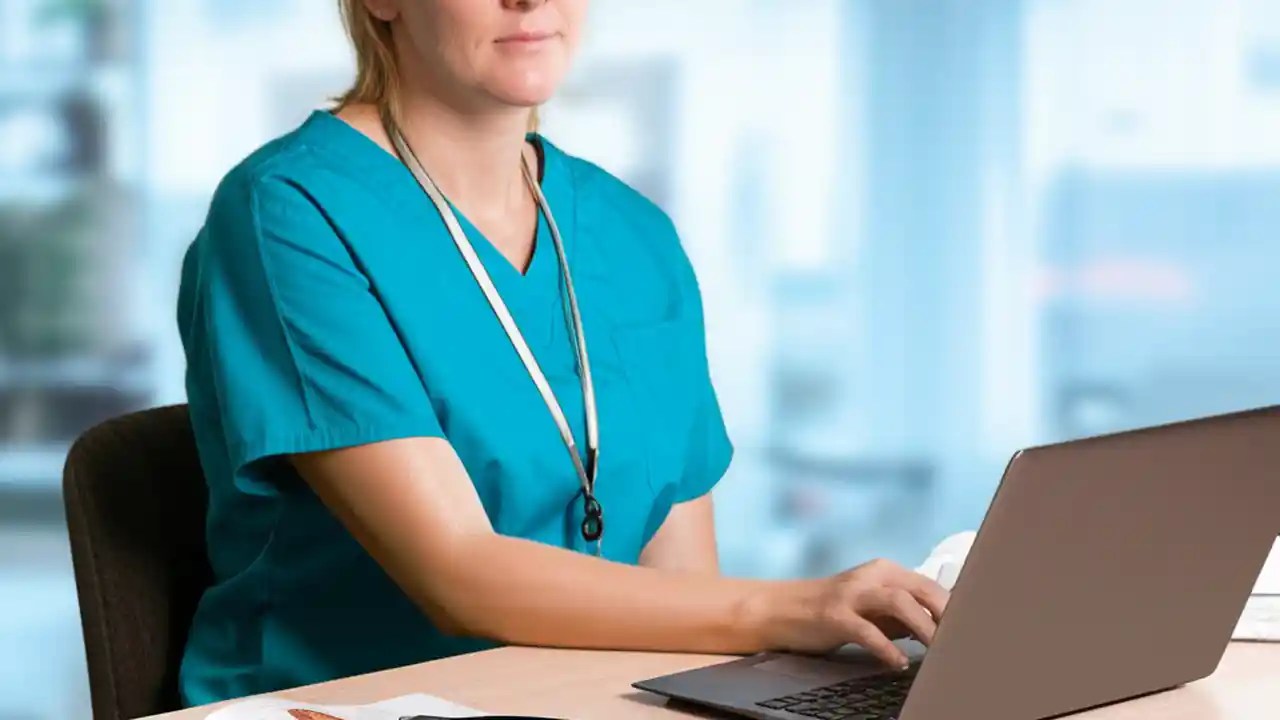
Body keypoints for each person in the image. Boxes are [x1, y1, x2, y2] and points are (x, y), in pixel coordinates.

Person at [176, 0, 949, 707]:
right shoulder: (289, 212)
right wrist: (799, 608)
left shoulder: (634, 235)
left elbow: (687, 593)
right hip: (350, 702)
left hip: (587, 700)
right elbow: (457, 574)